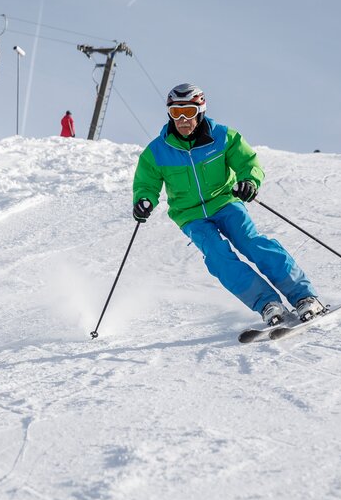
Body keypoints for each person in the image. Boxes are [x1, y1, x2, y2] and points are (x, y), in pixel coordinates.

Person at [131, 83, 324, 326]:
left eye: (188, 112)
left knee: (251, 242)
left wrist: (249, 181)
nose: (182, 120)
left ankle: (303, 296)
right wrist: (143, 200)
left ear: (200, 111)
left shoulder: (223, 137)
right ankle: (267, 303)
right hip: (190, 215)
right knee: (217, 256)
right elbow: (146, 183)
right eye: (175, 113)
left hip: (225, 202)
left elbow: (248, 162)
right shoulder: (157, 151)